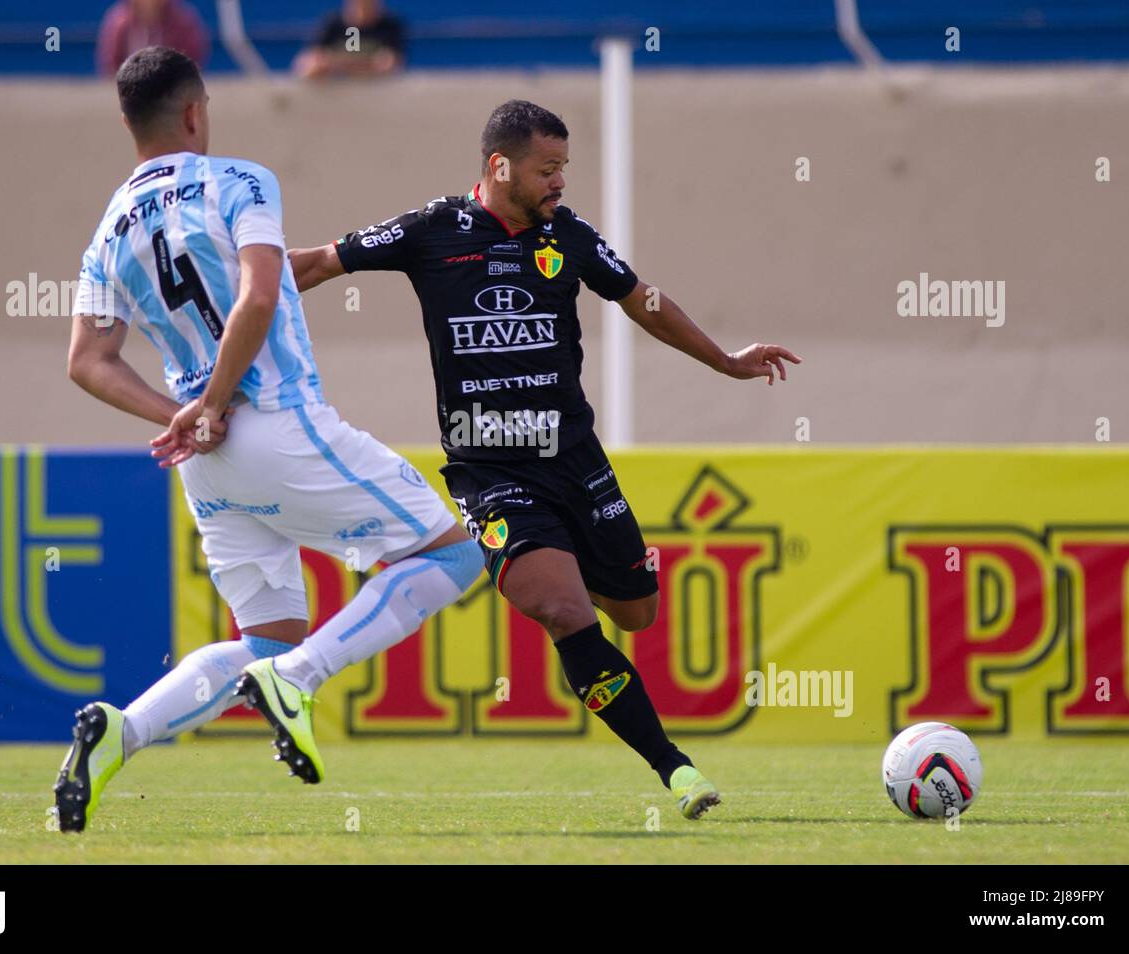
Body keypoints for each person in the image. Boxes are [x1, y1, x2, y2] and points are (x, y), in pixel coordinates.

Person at [286, 100, 802, 820]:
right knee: (565, 611)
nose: (559, 182)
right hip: (489, 474)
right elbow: (312, 263)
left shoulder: (569, 235)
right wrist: (225, 304)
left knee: (637, 612)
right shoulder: (432, 230)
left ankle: (608, 565)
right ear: (500, 167)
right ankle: (676, 769)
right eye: (546, 170)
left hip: (574, 460)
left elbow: (642, 300)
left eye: (564, 168)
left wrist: (724, 360)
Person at [56, 46, 481, 833]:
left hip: (206, 463)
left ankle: (123, 731)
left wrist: (182, 415)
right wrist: (217, 399)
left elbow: (87, 361)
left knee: (263, 636)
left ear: (126, 123)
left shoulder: (107, 231)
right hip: (275, 423)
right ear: (194, 113)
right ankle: (303, 678)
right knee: (454, 553)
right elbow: (255, 299)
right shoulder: (240, 182)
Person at [293, 0, 405, 79]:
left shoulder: (390, 26)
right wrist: (367, 65)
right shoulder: (332, 24)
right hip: (335, 97)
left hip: (376, 95)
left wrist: (336, 64)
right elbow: (308, 64)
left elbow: (390, 64)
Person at [96, 0, 210, 77]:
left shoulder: (183, 20)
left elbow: (193, 61)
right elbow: (110, 64)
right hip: (128, 94)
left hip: (171, 94)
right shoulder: (119, 22)